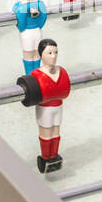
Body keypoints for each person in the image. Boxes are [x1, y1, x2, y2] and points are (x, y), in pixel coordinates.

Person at [29, 39, 70, 173]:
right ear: (41, 55)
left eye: (56, 52)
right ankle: (46, 156)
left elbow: (64, 90)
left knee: (56, 131)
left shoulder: (62, 71)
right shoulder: (36, 74)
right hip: (45, 109)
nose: (54, 56)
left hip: (58, 107)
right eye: (50, 53)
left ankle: (54, 155)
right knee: (46, 132)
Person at [13, 0, 48, 73]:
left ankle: (30, 77)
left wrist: (21, 29)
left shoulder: (20, 7)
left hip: (26, 33)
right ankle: (37, 76)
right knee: (37, 55)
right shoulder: (40, 4)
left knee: (28, 55)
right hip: (37, 31)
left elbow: (21, 23)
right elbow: (43, 19)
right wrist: (38, 26)